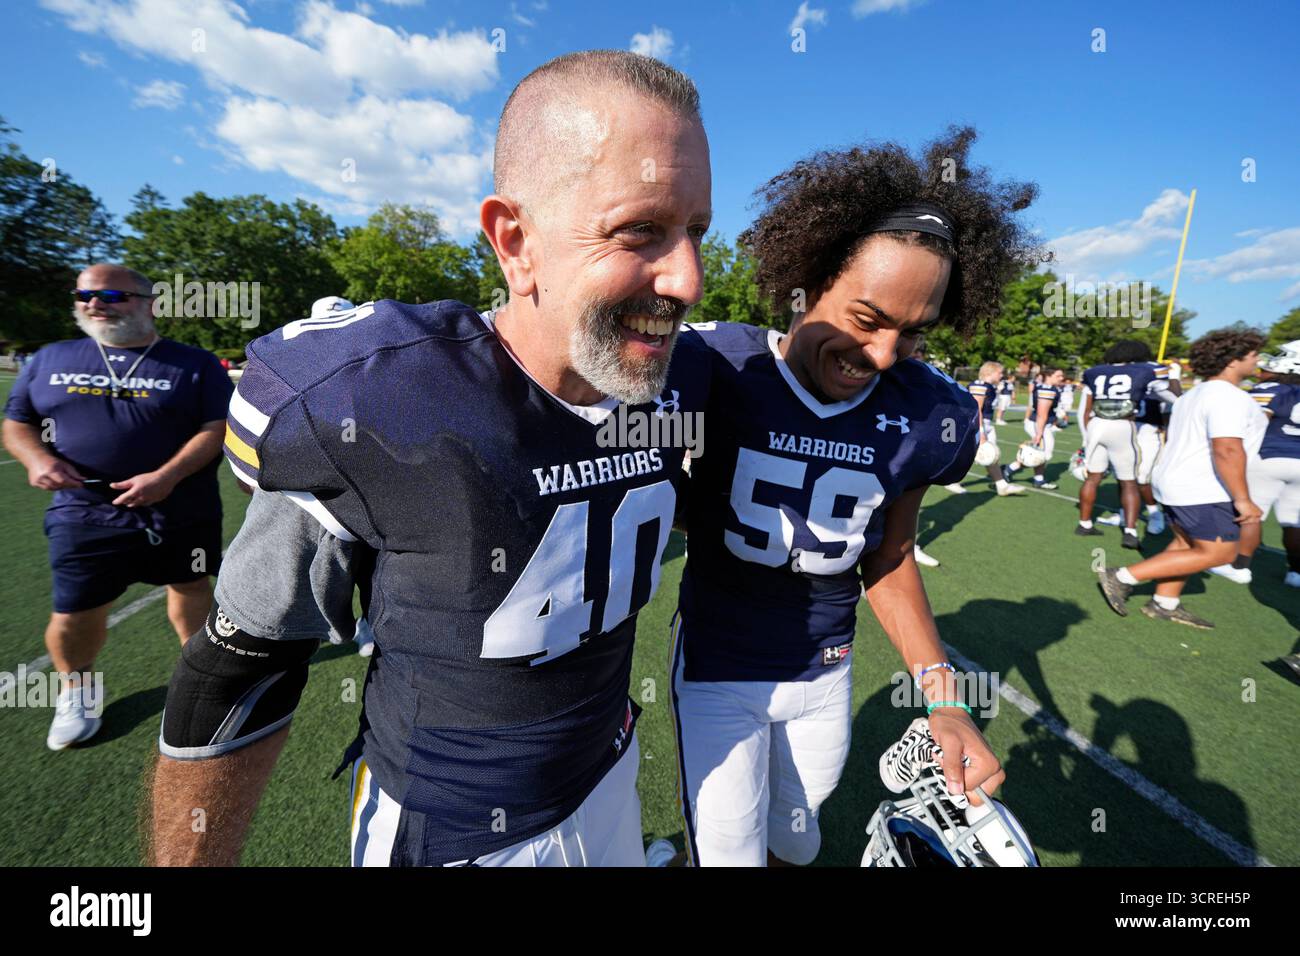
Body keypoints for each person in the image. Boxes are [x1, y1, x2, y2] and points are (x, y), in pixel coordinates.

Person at [150, 50, 713, 868]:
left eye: (697, 230)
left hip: (610, 769)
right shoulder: (381, 405)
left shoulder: (682, 383)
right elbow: (235, 673)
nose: (689, 278)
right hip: (454, 835)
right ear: (515, 241)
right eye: (640, 231)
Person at [670, 127, 1040, 866]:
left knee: (798, 845)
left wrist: (943, 699)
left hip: (825, 672)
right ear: (809, 277)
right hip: (718, 669)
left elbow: (891, 556)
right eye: (867, 319)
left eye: (912, 335)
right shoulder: (714, 364)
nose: (879, 356)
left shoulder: (932, 411)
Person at [2, 263, 231, 750]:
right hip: (82, 512)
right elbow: (17, 421)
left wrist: (166, 476)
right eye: (84, 296)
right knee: (75, 609)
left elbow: (216, 428)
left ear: (149, 303)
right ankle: (77, 692)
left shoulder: (194, 363)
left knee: (191, 586)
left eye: (111, 296)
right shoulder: (49, 358)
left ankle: (199, 680)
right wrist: (35, 458)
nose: (94, 305)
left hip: (180, 507)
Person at [1097, 330, 1267, 629]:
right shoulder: (1229, 397)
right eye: (1253, 355)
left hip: (1177, 478)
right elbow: (1227, 448)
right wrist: (1242, 498)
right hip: (1202, 484)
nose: (1258, 360)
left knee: (1186, 542)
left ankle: (1165, 603)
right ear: (1232, 360)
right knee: (1221, 551)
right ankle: (1122, 576)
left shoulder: (1195, 393)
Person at [1209, 340, 1300, 586]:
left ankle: (1241, 566)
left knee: (1252, 512)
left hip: (1268, 456)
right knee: (1292, 519)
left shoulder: (1270, 389)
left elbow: (1250, 423)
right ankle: (1295, 572)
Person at [1076, 340, 1179, 548]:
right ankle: (1130, 532)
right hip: (1123, 425)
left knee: (1093, 477)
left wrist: (1085, 438)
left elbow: (1084, 409)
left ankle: (1084, 524)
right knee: (1129, 480)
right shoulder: (1145, 371)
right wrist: (1175, 376)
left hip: (1096, 424)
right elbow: (1174, 398)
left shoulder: (1094, 371)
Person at [967, 360, 1026, 497]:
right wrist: (980, 431)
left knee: (992, 456)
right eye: (999, 373)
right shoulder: (980, 385)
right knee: (965, 456)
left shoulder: (989, 386)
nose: (1001, 376)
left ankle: (1001, 485)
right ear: (990, 372)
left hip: (986, 424)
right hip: (977, 425)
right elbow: (976, 410)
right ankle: (951, 482)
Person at [1006, 366, 1065, 489]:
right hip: (1039, 424)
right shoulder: (1047, 389)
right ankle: (1009, 469)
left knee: (1040, 453)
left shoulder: (1046, 387)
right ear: (1048, 376)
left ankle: (1038, 479)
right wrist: (1039, 434)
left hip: (1041, 424)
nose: (1062, 378)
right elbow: (1041, 413)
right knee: (1042, 454)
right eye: (1058, 375)